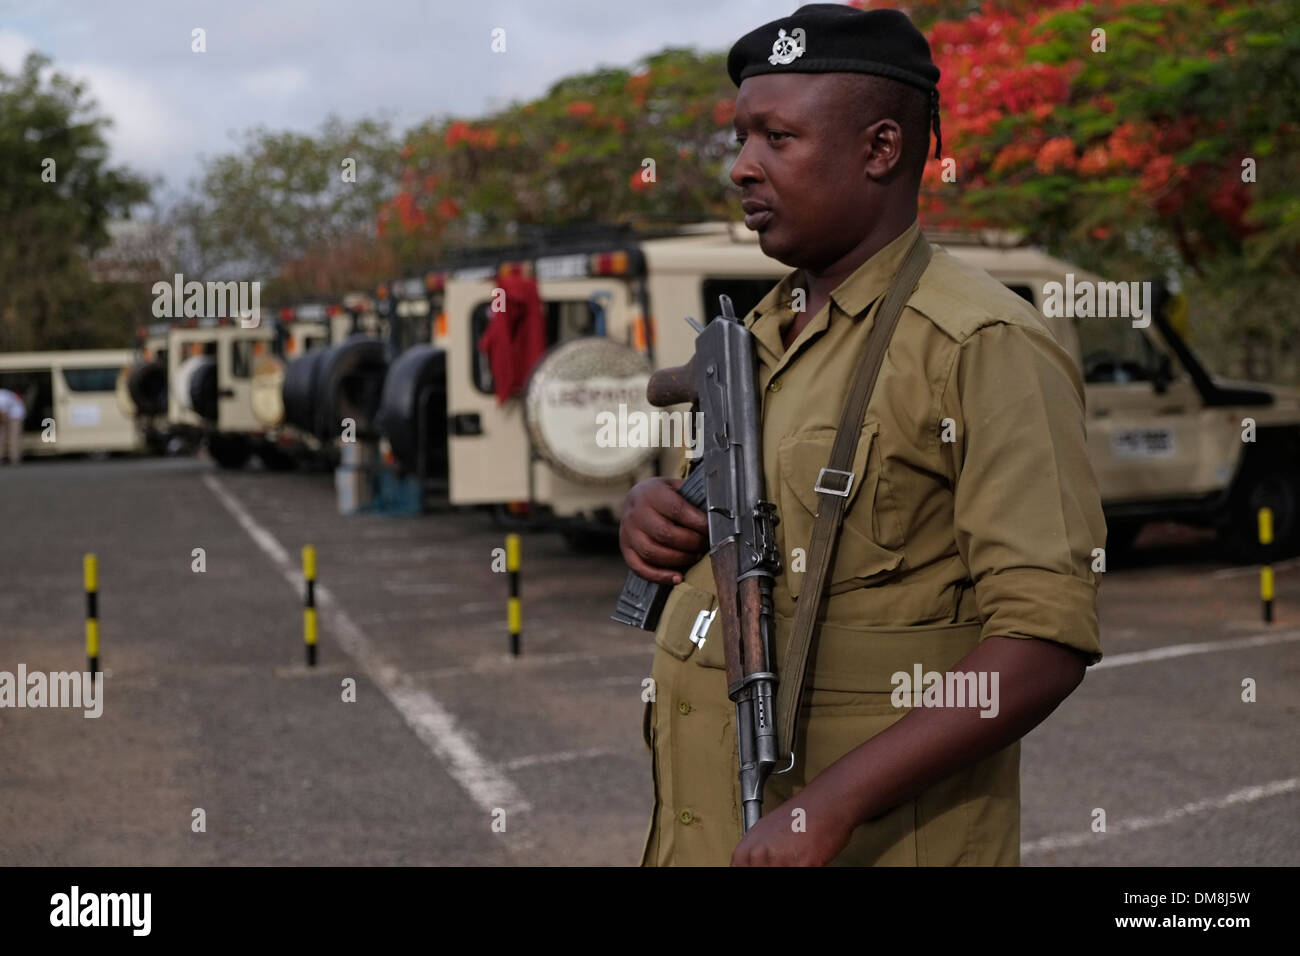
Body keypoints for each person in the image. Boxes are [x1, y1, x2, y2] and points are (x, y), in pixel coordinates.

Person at [619, 4, 1105, 866]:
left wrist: (831, 807)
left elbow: (1042, 643)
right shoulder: (761, 332)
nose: (741, 168)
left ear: (880, 149)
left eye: (777, 138)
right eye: (741, 139)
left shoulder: (979, 344)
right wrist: (657, 512)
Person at [0, 387, 25, 464]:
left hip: (16, 415)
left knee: (14, 436)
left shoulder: (1, 397)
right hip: (8, 414)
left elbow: (3, 416)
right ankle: (2, 456)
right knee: (3, 435)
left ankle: (15, 458)